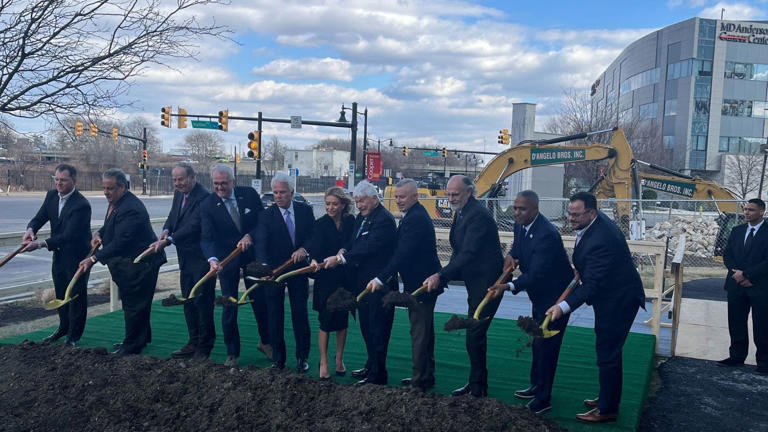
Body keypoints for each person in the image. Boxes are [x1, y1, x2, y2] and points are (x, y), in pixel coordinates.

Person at [546, 191, 645, 423]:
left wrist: (562, 307)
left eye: (577, 215)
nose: (572, 218)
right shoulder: (593, 225)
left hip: (618, 300)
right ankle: (606, 397)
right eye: (570, 213)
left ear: (592, 212)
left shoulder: (602, 239)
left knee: (608, 353)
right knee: (607, 351)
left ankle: (608, 409)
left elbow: (592, 285)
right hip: (611, 295)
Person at [489, 190, 573, 414]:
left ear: (535, 209)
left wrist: (508, 286)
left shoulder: (546, 234)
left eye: (522, 209)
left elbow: (536, 273)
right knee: (538, 341)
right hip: (539, 295)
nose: (517, 212)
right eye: (515, 208)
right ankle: (536, 385)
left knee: (548, 346)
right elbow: (517, 249)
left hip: (556, 298)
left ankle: (544, 399)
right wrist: (510, 256)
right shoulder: (520, 225)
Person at [424, 175, 503, 398]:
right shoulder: (463, 212)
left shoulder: (477, 215)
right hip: (475, 283)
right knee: (474, 335)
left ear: (469, 192)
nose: (450, 198)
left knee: (475, 335)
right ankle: (476, 384)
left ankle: (478, 389)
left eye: (455, 194)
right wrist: (444, 277)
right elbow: (459, 252)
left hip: (488, 286)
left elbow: (469, 253)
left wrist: (441, 275)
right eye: (448, 194)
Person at [78, 168, 166, 355]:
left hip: (141, 263)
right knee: (134, 304)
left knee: (135, 305)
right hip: (130, 264)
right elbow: (111, 225)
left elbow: (122, 241)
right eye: (104, 188)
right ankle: (139, 339)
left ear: (122, 187)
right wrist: (99, 233)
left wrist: (94, 258)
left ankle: (132, 344)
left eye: (110, 188)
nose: (106, 192)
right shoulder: (119, 202)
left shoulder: (131, 208)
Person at [367, 178, 442, 392]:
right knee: (424, 331)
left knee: (419, 332)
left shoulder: (416, 218)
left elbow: (403, 254)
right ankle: (425, 375)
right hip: (419, 282)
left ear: (415, 197)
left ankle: (419, 380)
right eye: (397, 196)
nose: (398, 201)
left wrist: (381, 277)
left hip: (422, 284)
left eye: (403, 197)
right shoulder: (412, 215)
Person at [322, 180, 397, 386]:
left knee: (377, 329)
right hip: (363, 286)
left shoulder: (384, 220)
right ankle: (371, 364)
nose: (360, 205)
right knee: (366, 327)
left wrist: (340, 259)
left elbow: (369, 247)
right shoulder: (362, 218)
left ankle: (377, 376)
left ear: (374, 198)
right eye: (356, 201)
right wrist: (344, 250)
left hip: (379, 286)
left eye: (362, 201)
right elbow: (354, 242)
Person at [200, 164, 268, 368]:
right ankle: (232, 352)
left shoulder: (248, 194)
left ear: (233, 182)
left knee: (259, 298)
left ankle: (266, 341)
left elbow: (262, 222)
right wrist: (212, 259)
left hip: (251, 256)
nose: (220, 188)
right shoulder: (208, 205)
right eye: (216, 184)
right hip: (226, 259)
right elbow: (207, 237)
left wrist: (250, 235)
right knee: (229, 304)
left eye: (224, 183)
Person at [148, 162, 215, 360]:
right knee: (188, 300)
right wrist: (166, 230)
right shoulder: (179, 194)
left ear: (192, 177)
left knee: (202, 301)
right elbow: (173, 216)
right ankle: (192, 341)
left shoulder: (204, 197)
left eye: (181, 179)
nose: (178, 183)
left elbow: (194, 226)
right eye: (175, 179)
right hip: (184, 257)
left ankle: (204, 346)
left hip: (202, 258)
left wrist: (169, 240)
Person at [22, 164, 92, 347]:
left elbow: (69, 235)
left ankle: (74, 337)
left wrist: (40, 244)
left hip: (77, 256)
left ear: (74, 181)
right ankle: (63, 328)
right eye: (56, 179)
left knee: (75, 295)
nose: (59, 183)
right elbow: (40, 217)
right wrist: (31, 229)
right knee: (60, 292)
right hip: (59, 255)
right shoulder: (51, 196)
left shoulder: (81, 204)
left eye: (63, 180)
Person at [254, 172, 315, 372]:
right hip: (274, 273)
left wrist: (304, 249)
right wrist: (264, 268)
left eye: (283, 192)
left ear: (292, 192)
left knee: (300, 314)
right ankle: (278, 360)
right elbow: (261, 243)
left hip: (297, 271)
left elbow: (312, 236)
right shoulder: (266, 216)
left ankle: (302, 357)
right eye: (276, 193)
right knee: (275, 315)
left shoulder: (305, 211)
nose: (279, 196)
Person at [307, 187, 355, 380]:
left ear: (343, 205)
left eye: (335, 204)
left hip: (345, 278)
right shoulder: (320, 224)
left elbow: (353, 243)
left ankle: (339, 358)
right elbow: (314, 246)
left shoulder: (351, 222)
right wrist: (312, 261)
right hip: (325, 279)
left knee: (342, 320)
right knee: (326, 322)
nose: (330, 207)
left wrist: (343, 251)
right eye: (328, 204)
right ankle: (324, 361)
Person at [718, 198, 768, 375]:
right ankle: (736, 356)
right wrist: (738, 275)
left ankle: (764, 362)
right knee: (736, 322)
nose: (747, 212)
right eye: (746, 209)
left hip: (760, 286)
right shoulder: (737, 230)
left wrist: (747, 275)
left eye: (751, 210)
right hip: (736, 285)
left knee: (762, 325)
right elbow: (727, 255)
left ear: (761, 212)